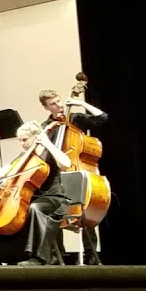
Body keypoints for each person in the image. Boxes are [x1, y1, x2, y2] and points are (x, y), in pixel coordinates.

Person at [0, 121, 72, 265]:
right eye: (20, 140)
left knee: (34, 209)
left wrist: (47, 143)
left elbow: (66, 164)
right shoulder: (24, 157)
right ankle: (3, 255)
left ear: (36, 137)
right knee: (6, 213)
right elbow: (4, 172)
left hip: (53, 198)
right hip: (29, 198)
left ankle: (38, 258)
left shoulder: (50, 153)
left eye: (24, 139)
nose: (22, 143)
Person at [40, 88, 108, 264]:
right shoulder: (46, 127)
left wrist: (80, 103)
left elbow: (102, 118)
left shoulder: (75, 118)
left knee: (83, 208)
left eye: (59, 100)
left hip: (76, 172)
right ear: (46, 108)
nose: (59, 105)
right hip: (56, 175)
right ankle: (57, 255)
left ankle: (91, 254)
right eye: (53, 104)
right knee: (53, 212)